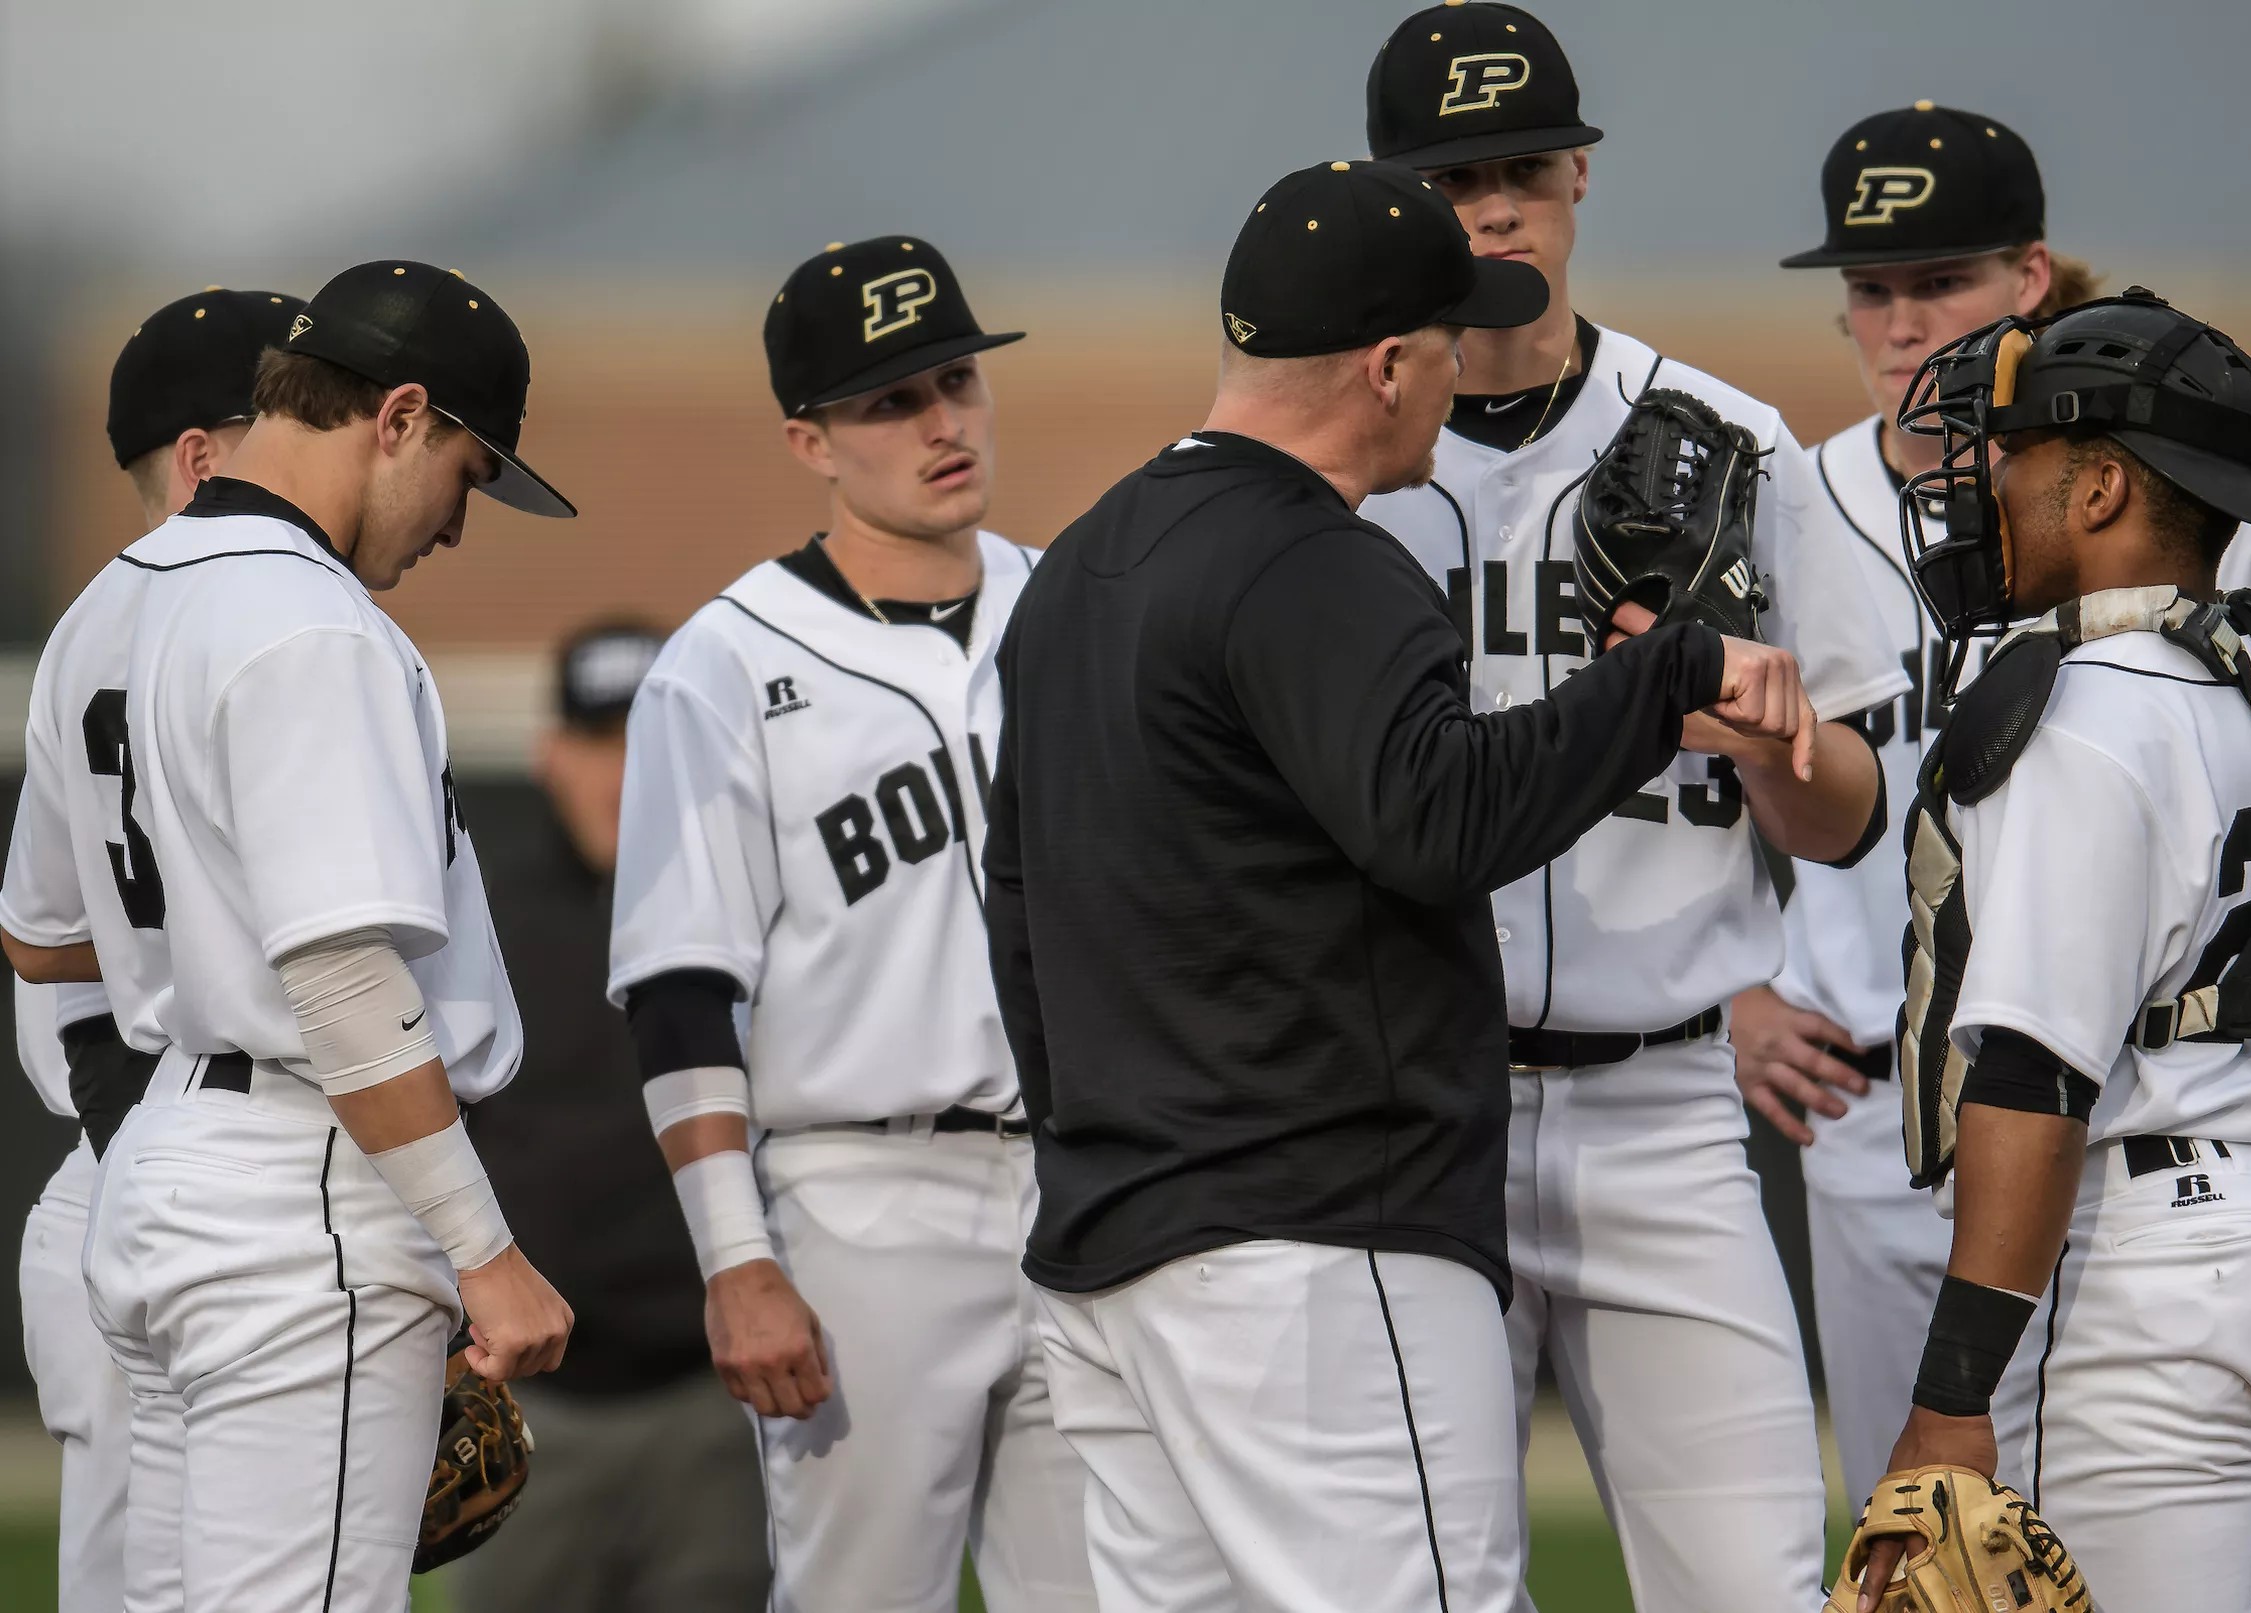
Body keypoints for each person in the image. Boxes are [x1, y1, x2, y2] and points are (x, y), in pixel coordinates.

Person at [989, 156, 1820, 1613]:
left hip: (1112, 1249)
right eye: (1443, 342)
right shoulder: (1318, 561)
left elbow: (1017, 916)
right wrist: (1667, 673)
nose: (1458, 370)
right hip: (1315, 1245)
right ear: (1383, 364)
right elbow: (1438, 819)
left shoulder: (1083, 564)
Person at [1760, 101, 2251, 1510]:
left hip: (2149, 1115)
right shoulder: (1789, 507)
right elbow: (1692, 785)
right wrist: (1737, 990)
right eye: (1868, 290)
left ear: (2030, 280)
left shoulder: (2160, 493)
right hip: (1883, 1107)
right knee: (1927, 1544)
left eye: (1938, 279)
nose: (1898, 321)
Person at [1351, 8, 1909, 1606]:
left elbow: (1850, 816)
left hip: (1663, 1117)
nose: (1495, 206)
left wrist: (1755, 733)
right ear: (1396, 196)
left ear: (1580, 171)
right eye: (1452, 177)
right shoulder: (1329, 463)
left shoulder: (1733, 442)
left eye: (1522, 165)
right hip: (1409, 1109)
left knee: (1751, 1585)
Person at [0, 259, 577, 1613]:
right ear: (400, 415)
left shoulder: (114, 605)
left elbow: (36, 938)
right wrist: (485, 1254)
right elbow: (339, 980)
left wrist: (206, 941)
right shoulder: (312, 622)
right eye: (469, 472)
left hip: (164, 1169)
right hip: (302, 1182)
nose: (457, 524)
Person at [1859, 287, 2251, 1613]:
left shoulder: (2082, 719)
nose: (1986, 481)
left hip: (2148, 1278)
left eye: (2018, 455)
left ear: (2102, 485)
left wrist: (1948, 1399)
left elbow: (2034, 1083)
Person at [608, 236, 1093, 1613]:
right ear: (807, 439)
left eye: (955, 380)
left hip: (1083, 1186)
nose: (942, 423)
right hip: (864, 1208)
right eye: (891, 402)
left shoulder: (1071, 606)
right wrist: (736, 1260)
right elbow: (680, 988)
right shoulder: (724, 661)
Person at [13, 284, 297, 1613]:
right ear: (202, 456)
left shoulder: (123, 631)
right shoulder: (166, 633)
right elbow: (43, 943)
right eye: (301, 415)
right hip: (167, 1174)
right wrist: (157, 1142)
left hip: (167, 1183)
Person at [449, 622, 772, 1613]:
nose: (619, 775)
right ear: (551, 753)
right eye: (597, 742)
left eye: (643, 744)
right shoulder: (475, 919)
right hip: (537, 1417)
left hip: (712, 1402)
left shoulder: (756, 908)